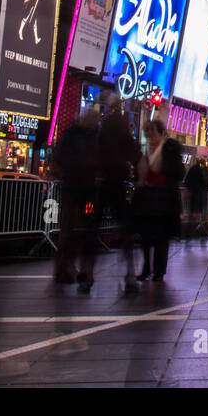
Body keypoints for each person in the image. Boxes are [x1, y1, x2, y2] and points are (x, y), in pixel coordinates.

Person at [49, 105, 100, 291]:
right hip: (73, 187)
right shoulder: (72, 135)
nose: (94, 123)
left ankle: (78, 268)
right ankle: (63, 268)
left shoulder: (93, 135)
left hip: (87, 189)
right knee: (69, 229)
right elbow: (60, 157)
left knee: (86, 228)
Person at [131, 119, 183, 283]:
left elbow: (178, 172)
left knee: (161, 236)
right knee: (145, 236)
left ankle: (159, 270)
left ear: (160, 133)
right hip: (146, 198)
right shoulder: (144, 151)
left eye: (152, 133)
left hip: (164, 199)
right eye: (147, 134)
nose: (149, 137)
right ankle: (147, 267)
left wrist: (159, 178)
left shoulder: (169, 149)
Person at [95, 99, 138, 290]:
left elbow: (95, 153)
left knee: (92, 226)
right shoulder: (122, 131)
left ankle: (87, 274)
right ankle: (129, 273)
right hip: (117, 182)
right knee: (125, 228)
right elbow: (135, 154)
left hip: (103, 182)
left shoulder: (102, 130)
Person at [183, 156, 208, 245]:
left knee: (192, 213)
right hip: (200, 193)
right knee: (202, 213)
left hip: (194, 193)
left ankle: (190, 231)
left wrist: (190, 190)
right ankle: (200, 231)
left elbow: (187, 181)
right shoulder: (203, 171)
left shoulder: (193, 169)